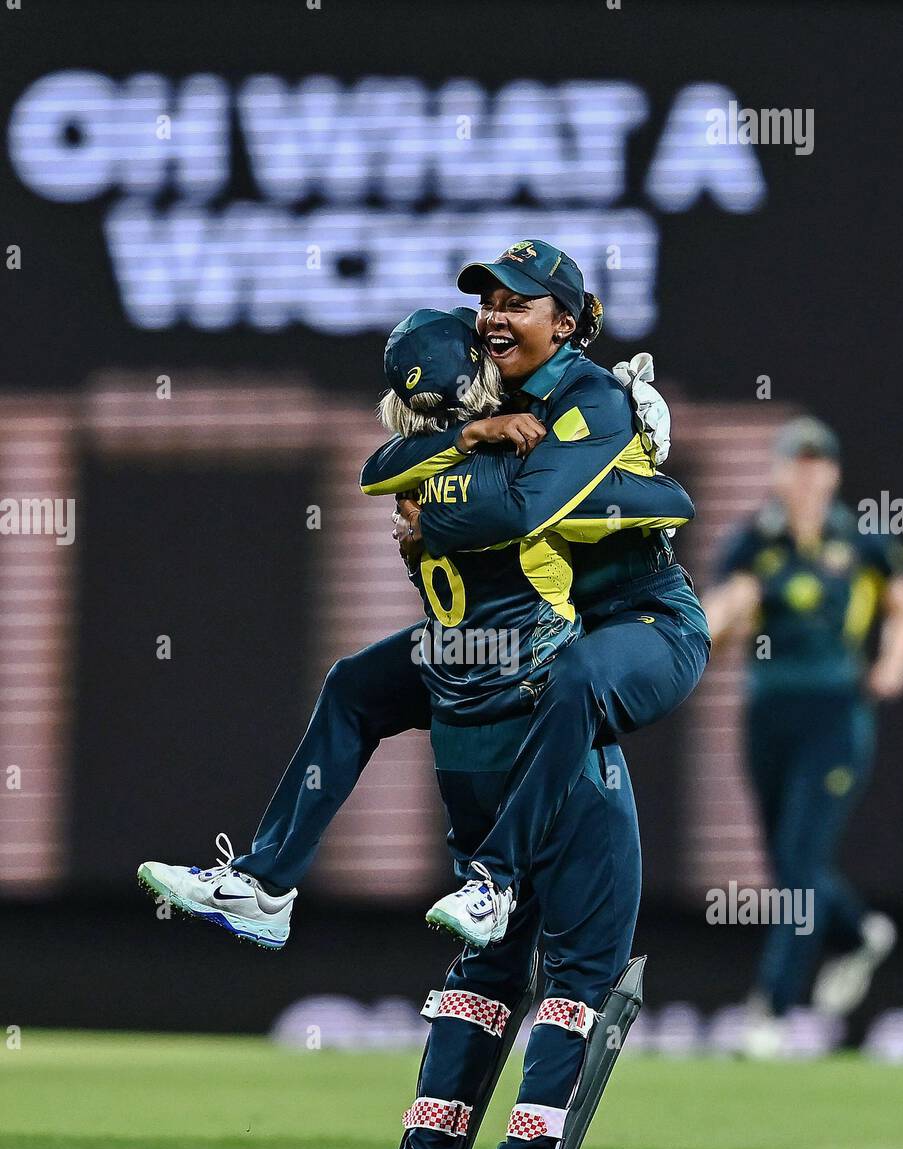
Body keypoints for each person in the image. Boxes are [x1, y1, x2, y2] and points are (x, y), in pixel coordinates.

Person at [137, 241, 709, 949]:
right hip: (538, 622)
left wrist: (432, 517)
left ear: (563, 324)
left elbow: (525, 512)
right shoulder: (495, 395)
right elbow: (380, 468)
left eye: (515, 304)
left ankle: (494, 883)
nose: (492, 319)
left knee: (578, 679)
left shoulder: (590, 396)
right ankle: (264, 886)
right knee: (354, 686)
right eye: (487, 303)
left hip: (643, 618)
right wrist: (470, 435)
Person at [369, 309, 669, 1149]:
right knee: (588, 962)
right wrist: (642, 441)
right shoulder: (528, 456)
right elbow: (639, 515)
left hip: (468, 736)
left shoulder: (423, 469)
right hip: (554, 726)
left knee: (487, 963)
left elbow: (418, 506)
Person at [703, 417, 903, 1057]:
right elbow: (728, 610)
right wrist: (708, 632)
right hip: (768, 714)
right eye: (795, 465)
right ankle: (857, 932)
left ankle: (771, 1010)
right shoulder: (753, 542)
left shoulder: (861, 541)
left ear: (832, 473)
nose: (805, 478)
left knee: (800, 865)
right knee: (787, 863)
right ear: (777, 473)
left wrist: (894, 663)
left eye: (817, 465)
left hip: (835, 714)